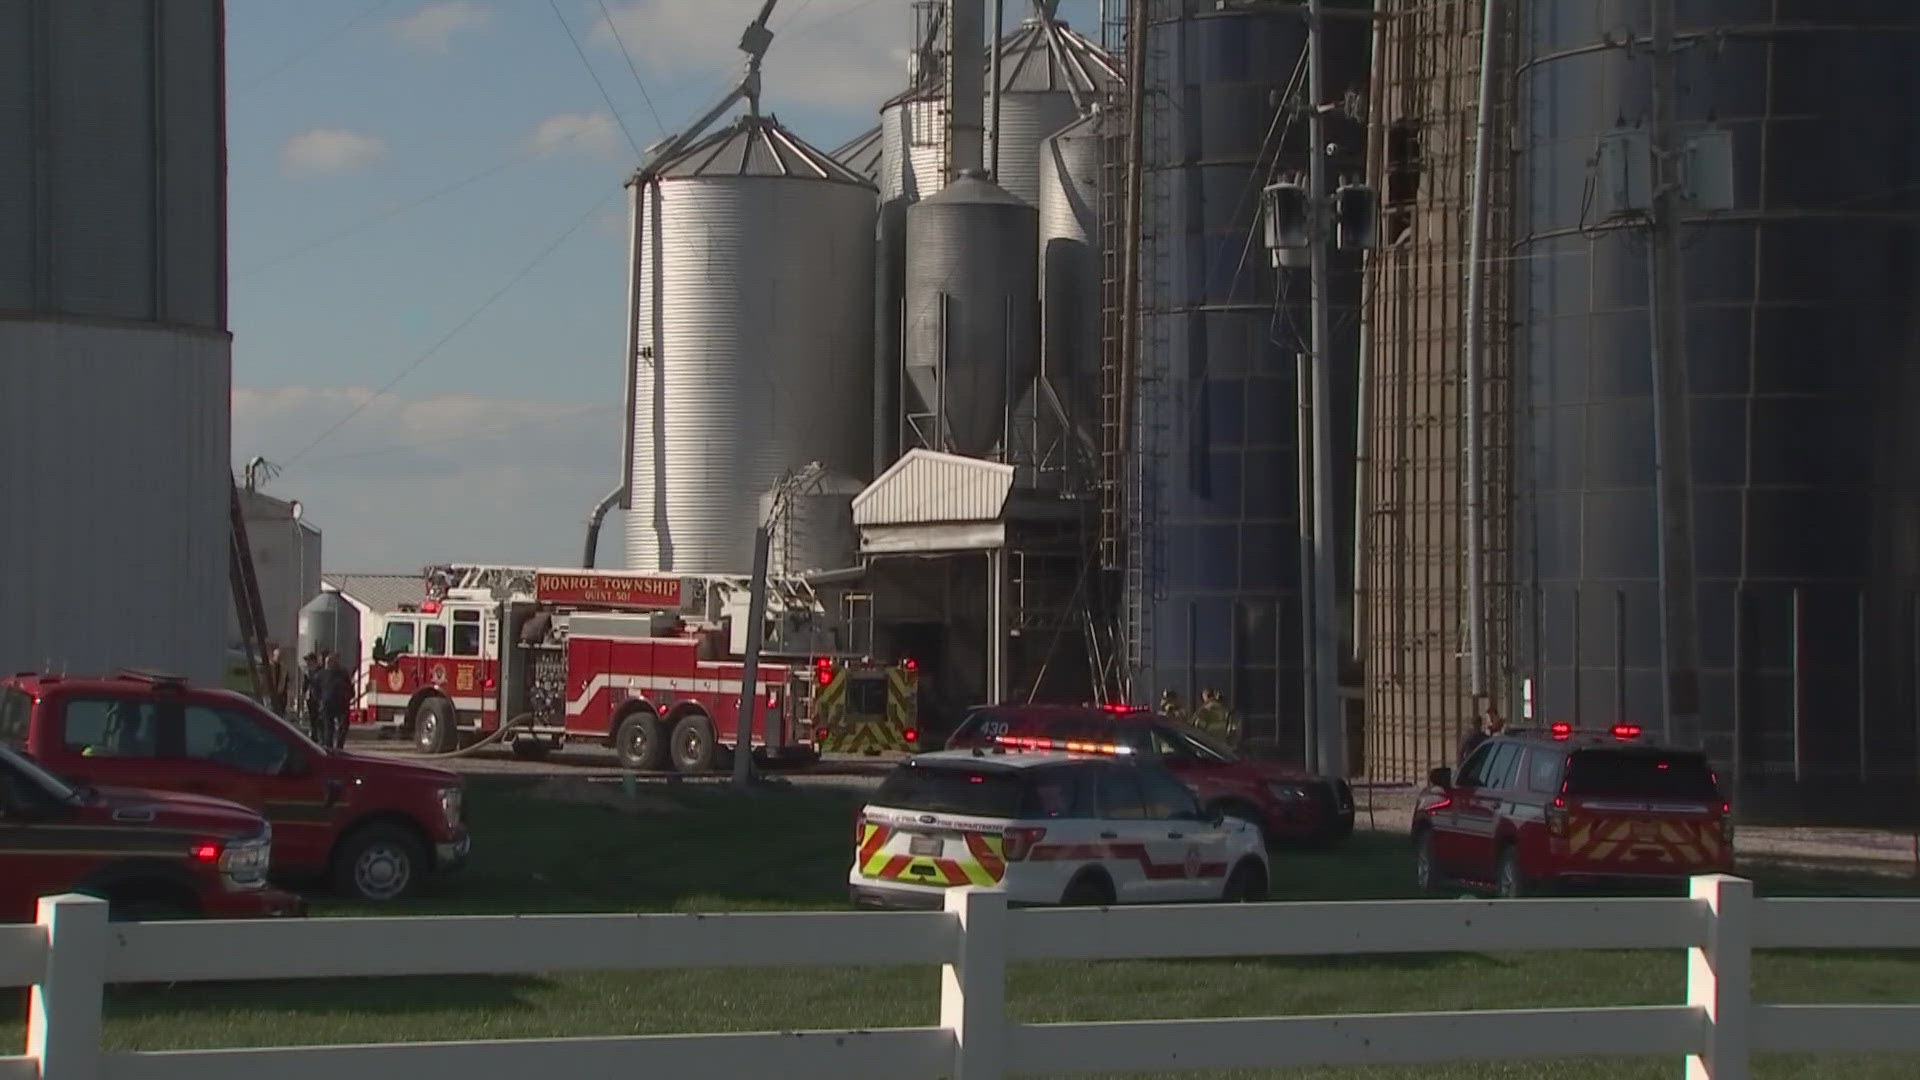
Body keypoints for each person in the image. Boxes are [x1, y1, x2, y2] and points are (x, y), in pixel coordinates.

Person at [319, 649, 351, 749]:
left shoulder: (343, 674)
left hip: (342, 703)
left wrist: (348, 697)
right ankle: (328, 747)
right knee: (329, 727)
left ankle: (339, 746)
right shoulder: (322, 674)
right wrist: (320, 700)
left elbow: (349, 687)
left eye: (332, 661)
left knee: (343, 725)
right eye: (328, 662)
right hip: (327, 704)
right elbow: (316, 688)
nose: (329, 664)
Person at [1457, 699, 1505, 765]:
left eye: (1492, 718)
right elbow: (1461, 753)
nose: (1490, 722)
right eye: (1488, 719)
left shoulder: (1503, 732)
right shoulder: (1477, 736)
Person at [301, 652, 324, 742]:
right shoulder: (307, 672)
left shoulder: (320, 671)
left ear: (314, 661)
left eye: (309, 661)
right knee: (312, 718)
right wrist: (303, 694)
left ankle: (321, 737)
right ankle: (314, 737)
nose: (307, 663)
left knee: (320, 719)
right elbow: (305, 685)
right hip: (310, 697)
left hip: (319, 697)